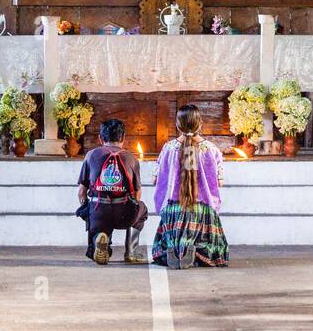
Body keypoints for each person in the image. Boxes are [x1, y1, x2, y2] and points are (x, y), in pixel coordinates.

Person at [149, 104, 229, 268]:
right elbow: (220, 182)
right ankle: (195, 249)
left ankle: (174, 248)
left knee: (164, 244)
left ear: (178, 125)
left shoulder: (169, 148)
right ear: (200, 124)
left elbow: (155, 180)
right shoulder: (211, 149)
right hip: (202, 211)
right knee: (216, 253)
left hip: (174, 211)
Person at [76, 118, 147, 265]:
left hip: (99, 210)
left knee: (98, 222)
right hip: (124, 213)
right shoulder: (131, 158)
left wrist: (88, 211)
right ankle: (131, 252)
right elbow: (137, 194)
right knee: (142, 209)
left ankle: (99, 240)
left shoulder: (91, 155)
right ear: (123, 138)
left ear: (100, 138)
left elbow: (81, 191)